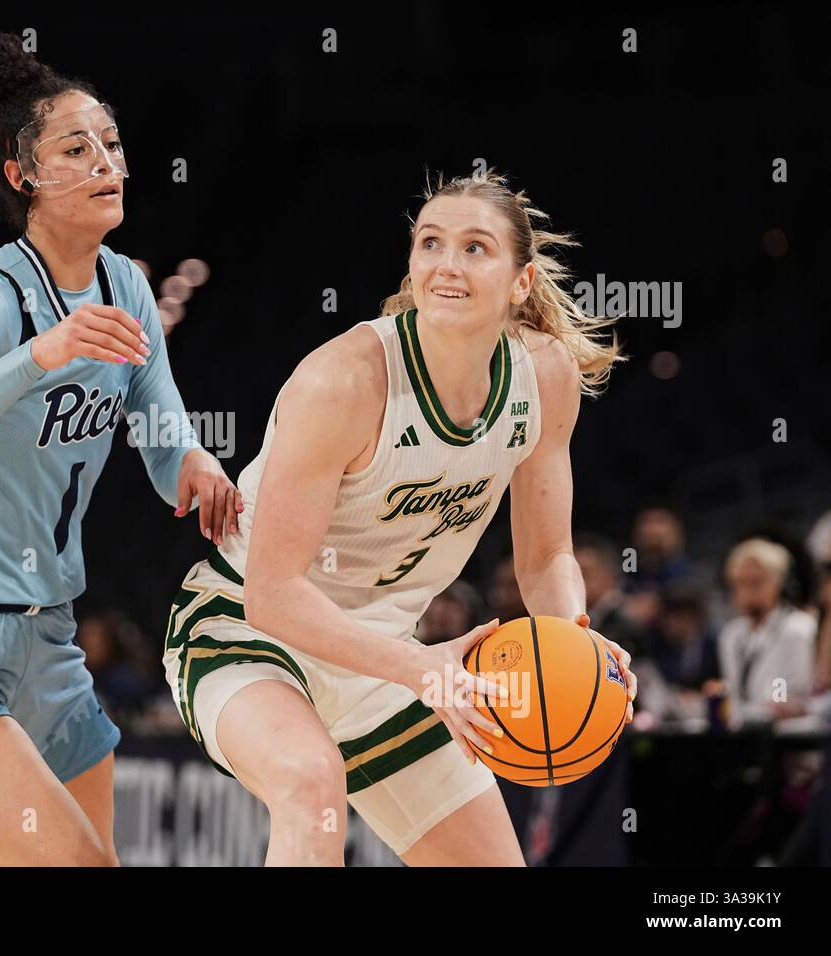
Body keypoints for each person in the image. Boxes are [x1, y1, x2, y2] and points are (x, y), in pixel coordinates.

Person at [162, 170, 637, 865]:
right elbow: (273, 594)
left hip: (388, 656)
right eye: (430, 243)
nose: (447, 263)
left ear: (520, 282)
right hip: (242, 632)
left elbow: (544, 559)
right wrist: (420, 671)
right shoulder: (344, 381)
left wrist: (572, 649)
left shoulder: (546, 375)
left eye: (475, 248)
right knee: (308, 782)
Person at [0, 33, 237, 865]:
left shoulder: (126, 285)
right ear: (23, 177)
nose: (106, 161)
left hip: (48, 645)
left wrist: (196, 465)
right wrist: (38, 357)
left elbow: (160, 431)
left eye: (112, 143)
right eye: (76, 147)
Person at [718, 537, 817, 728]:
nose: (747, 591)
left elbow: (788, 697)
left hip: (788, 738)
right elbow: (733, 696)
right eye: (740, 583)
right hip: (743, 736)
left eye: (756, 582)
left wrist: (774, 704)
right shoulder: (731, 635)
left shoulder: (798, 629)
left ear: (780, 584)